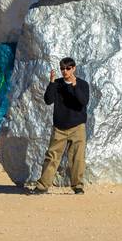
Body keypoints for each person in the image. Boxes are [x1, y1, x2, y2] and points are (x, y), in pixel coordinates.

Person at [28, 58, 90, 195]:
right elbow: (48, 100)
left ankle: (78, 186)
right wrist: (51, 83)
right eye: (62, 69)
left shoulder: (82, 84)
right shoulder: (57, 84)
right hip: (60, 127)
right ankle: (42, 186)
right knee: (52, 157)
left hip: (77, 127)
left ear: (74, 68)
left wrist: (74, 86)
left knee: (77, 158)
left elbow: (83, 101)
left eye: (68, 68)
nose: (65, 71)